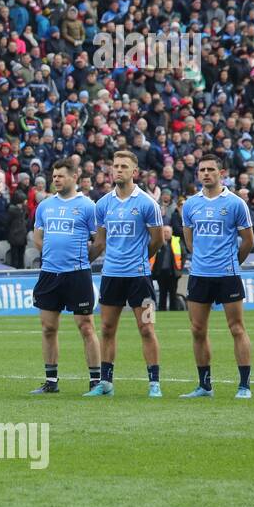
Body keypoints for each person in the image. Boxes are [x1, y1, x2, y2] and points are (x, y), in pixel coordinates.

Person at [181, 155, 254, 399]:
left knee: (236, 328)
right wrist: (203, 258)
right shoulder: (191, 205)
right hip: (199, 275)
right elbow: (189, 241)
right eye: (202, 170)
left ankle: (244, 386)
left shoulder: (235, 203)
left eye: (211, 169)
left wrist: (232, 262)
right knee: (197, 330)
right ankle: (205, 386)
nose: (205, 173)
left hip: (227, 275)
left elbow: (248, 241)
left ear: (221, 173)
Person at [93, 151, 166, 398]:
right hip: (111, 276)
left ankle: (154, 383)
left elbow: (158, 240)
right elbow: (100, 241)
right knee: (107, 329)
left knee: (146, 328)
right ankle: (106, 383)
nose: (118, 170)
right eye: (115, 166)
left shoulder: (147, 203)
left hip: (140, 278)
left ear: (134, 172)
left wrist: (140, 259)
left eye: (124, 166)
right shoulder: (103, 204)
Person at [28, 161, 101, 396]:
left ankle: (95, 381)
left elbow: (99, 241)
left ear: (74, 177)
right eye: (54, 175)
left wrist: (82, 261)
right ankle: (51, 381)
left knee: (86, 327)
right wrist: (48, 252)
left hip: (77, 274)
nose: (56, 179)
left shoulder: (88, 206)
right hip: (49, 273)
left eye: (61, 176)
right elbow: (37, 236)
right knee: (48, 327)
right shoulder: (45, 206)